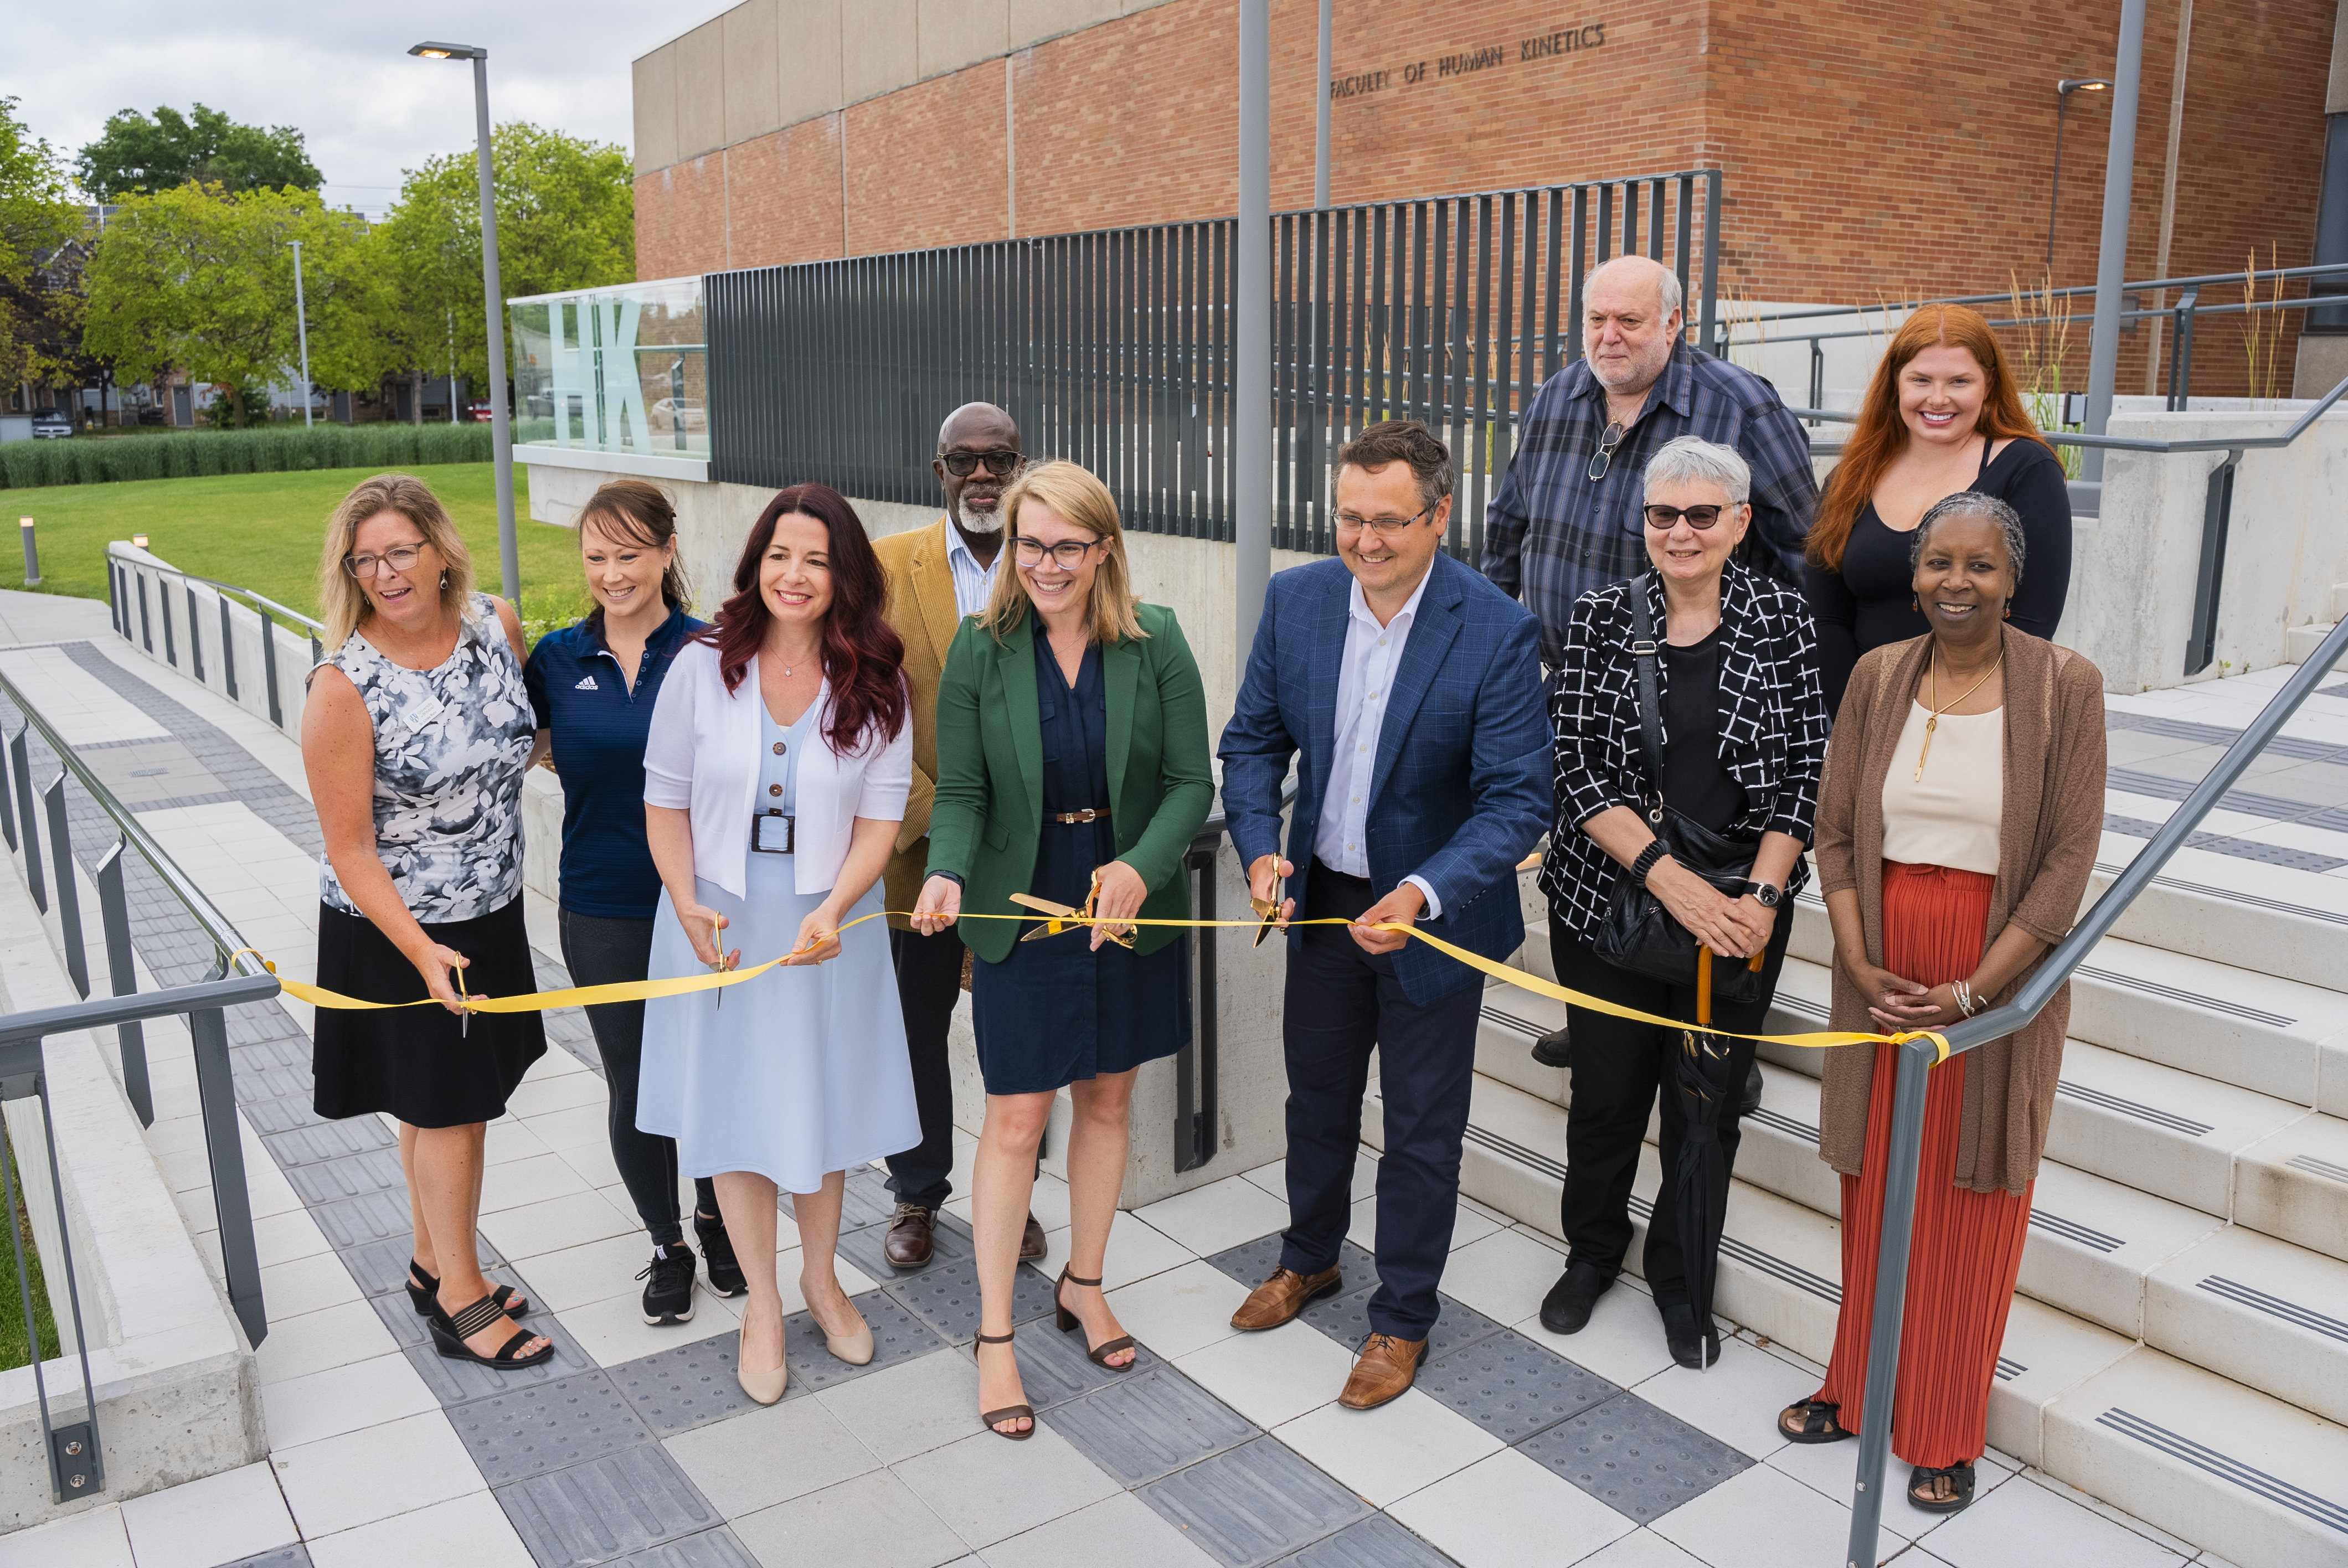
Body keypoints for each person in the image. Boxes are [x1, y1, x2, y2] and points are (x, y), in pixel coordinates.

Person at [1777, 493, 2103, 1515]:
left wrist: (1973, 991)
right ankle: (1859, 1384)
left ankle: (1947, 1425)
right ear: (1914, 574)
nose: (1955, 583)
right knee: (1876, 1183)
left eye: (1981, 566)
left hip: (1989, 972)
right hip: (1880, 962)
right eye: (1937, 563)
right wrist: (1859, 958)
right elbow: (1834, 830)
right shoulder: (1879, 675)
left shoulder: (2066, 685)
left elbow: (2064, 865)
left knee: (1970, 1196)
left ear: (2015, 579)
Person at [1219, 419, 1549, 1411]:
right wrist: (1261, 845)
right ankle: (1309, 1258)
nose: (1364, 541)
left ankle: (1402, 1318)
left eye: (1388, 522)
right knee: (1315, 1098)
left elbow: (1516, 801)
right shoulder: (1299, 600)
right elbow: (1250, 743)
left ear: (1440, 515)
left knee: (1420, 1128)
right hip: (1322, 900)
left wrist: (1423, 892)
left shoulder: (1495, 628)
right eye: (1349, 518)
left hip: (1431, 918)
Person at [910, 460, 1212, 1440]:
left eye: (1067, 546)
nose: (1046, 563)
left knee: (1112, 1097)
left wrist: (1139, 865)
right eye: (1031, 544)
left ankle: (1084, 1283)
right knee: (1013, 1117)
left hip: (1124, 900)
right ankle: (995, 1333)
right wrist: (947, 871)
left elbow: (1187, 784)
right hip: (1021, 900)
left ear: (1103, 549)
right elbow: (960, 792)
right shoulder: (978, 649)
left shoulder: (1156, 641)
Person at [1482, 254, 1819, 1077]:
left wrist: (1767, 659)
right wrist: (1498, 655)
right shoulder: (1560, 395)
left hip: (1697, 687)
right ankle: (1598, 1019)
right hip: (1572, 681)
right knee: (1585, 857)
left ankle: (1714, 1055)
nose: (1609, 337)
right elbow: (1509, 526)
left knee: (1699, 864)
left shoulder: (1738, 404)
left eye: (1629, 321)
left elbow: (1806, 543)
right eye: (1596, 319)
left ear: (1674, 323)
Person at [1535, 436, 1828, 1367]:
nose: (1682, 531)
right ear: (1643, 521)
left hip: (1742, 915)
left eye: (1704, 513)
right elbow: (1575, 772)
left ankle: (1680, 1279)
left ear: (1741, 522)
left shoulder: (1783, 619)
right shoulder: (1598, 616)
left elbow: (1804, 778)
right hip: (1610, 906)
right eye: (1664, 514)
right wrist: (1675, 881)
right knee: (1608, 1096)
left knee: (1706, 1108)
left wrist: (1765, 897)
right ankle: (1592, 1251)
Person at [636, 483, 921, 1406]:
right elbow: (665, 799)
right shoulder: (700, 665)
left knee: (819, 1106)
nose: (794, 575)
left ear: (846, 576)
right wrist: (683, 901)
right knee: (733, 1113)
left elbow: (880, 823)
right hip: (716, 920)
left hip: (824, 926)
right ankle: (763, 1302)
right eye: (779, 556)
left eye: (816, 559)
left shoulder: (877, 677)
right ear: (756, 563)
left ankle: (820, 1276)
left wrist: (835, 906)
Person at [304, 473, 552, 1372]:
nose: (384, 572)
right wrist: (420, 951)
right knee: (450, 1110)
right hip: (401, 931)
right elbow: (351, 847)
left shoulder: (496, 623)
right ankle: (459, 1293)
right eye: (365, 559)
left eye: (400, 550)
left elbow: (519, 736)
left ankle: (427, 1256)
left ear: (440, 549)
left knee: (445, 1104)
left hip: (489, 910)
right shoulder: (344, 684)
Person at [523, 479, 739, 1328]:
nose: (612, 574)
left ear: (666, 553)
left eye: (629, 556)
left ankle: (723, 1220)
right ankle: (667, 1243)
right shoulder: (557, 659)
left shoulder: (716, 651)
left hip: (706, 902)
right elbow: (528, 745)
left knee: (714, 1073)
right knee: (637, 1080)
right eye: (596, 558)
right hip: (602, 902)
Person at [872, 403, 1047, 1271]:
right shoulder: (884, 567)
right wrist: (936, 822)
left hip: (1029, 855)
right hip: (917, 855)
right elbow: (856, 706)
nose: (982, 475)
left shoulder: (1054, 560)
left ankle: (1018, 1194)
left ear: (1021, 466)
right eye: (964, 461)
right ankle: (917, 1191)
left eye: (999, 459)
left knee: (1023, 1031)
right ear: (936, 468)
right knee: (915, 1028)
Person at [1804, 303, 2073, 715]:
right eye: (1921, 380)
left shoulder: (2026, 469)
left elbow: (2032, 625)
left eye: (1960, 381)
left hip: (1976, 717)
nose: (1938, 398)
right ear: (1896, 383)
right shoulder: (1851, 478)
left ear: (1989, 385)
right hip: (1863, 715)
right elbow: (1827, 619)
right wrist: (1854, 721)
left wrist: (1946, 718)